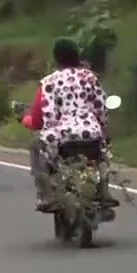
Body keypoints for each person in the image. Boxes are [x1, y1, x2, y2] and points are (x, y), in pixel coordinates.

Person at [20, 38, 110, 209]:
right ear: (77, 56)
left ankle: (46, 195)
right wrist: (102, 126)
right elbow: (101, 108)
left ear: (56, 58)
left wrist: (41, 125)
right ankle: (104, 190)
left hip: (61, 135)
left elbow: (45, 116)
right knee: (103, 152)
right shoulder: (89, 77)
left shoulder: (48, 82)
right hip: (90, 132)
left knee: (36, 145)